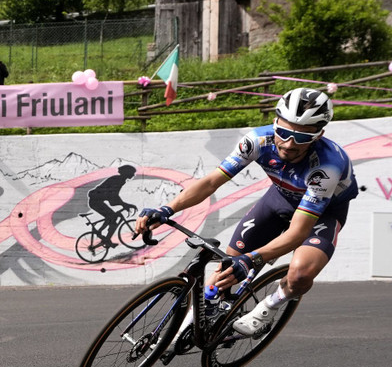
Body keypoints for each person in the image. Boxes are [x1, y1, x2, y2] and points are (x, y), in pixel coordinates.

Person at [135, 88, 356, 337]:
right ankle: (199, 317)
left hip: (324, 212)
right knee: (228, 266)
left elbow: (298, 232)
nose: (289, 144)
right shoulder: (258, 141)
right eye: (283, 133)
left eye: (301, 138)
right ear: (275, 123)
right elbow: (210, 183)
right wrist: (167, 208)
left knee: (301, 275)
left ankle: (267, 308)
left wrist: (253, 259)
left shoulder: (326, 166)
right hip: (280, 198)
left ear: (319, 135)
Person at [87, 165, 138, 248]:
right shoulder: (118, 180)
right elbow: (113, 197)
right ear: (127, 173)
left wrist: (124, 204)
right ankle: (102, 236)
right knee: (112, 217)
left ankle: (106, 238)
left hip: (97, 200)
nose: (133, 175)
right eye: (132, 173)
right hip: (95, 201)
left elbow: (113, 198)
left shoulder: (119, 179)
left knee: (112, 217)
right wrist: (125, 205)